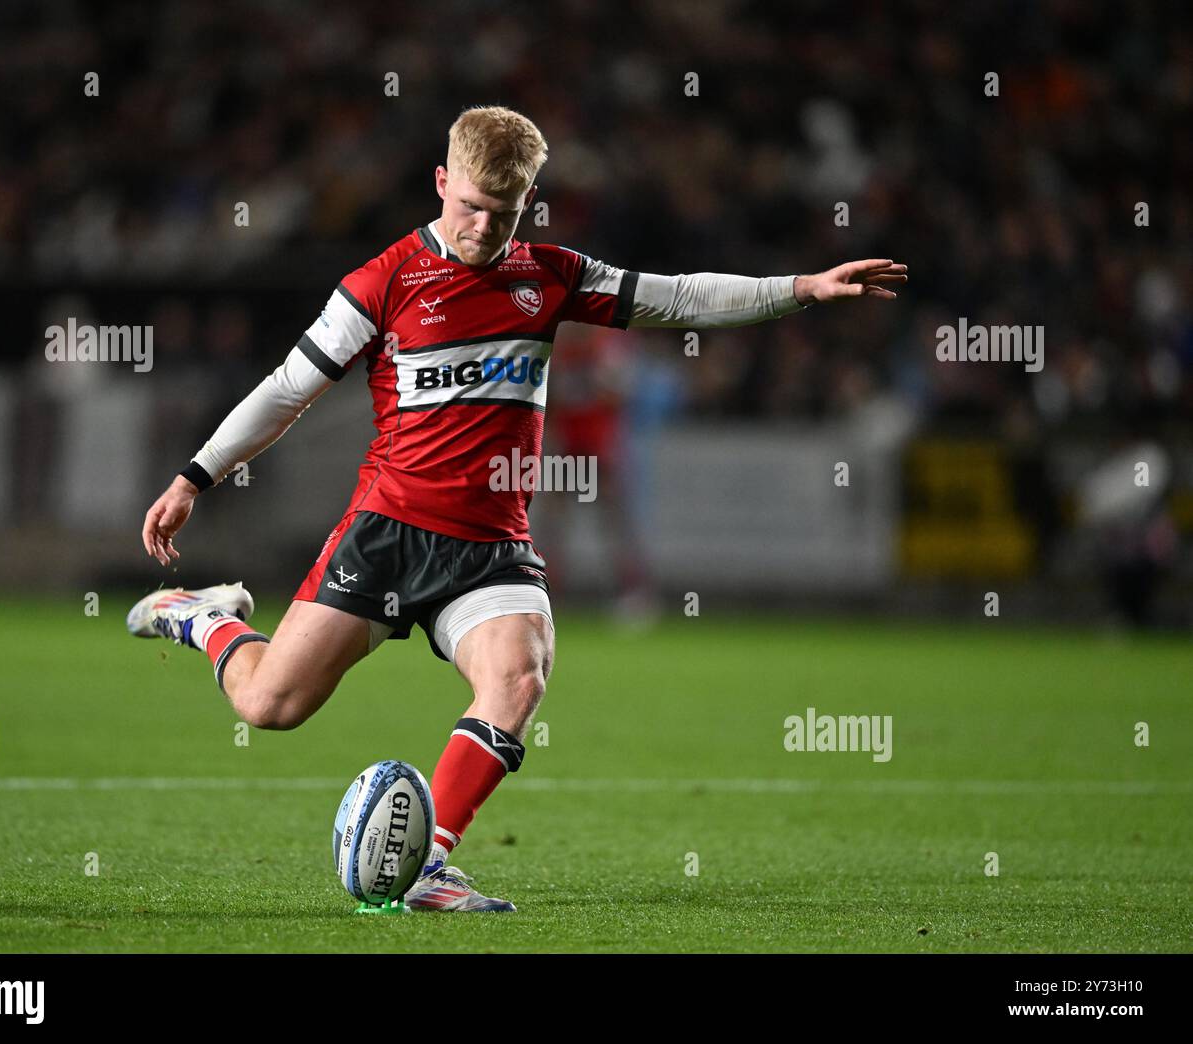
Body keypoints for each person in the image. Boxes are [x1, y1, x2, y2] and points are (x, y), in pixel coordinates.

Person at [128, 105, 907, 911]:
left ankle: (426, 862)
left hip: (491, 550)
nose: (482, 229)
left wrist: (804, 288)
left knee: (519, 677)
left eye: (503, 214)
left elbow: (677, 299)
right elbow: (290, 388)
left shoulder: (549, 276)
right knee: (269, 705)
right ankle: (206, 615)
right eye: (468, 206)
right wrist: (195, 478)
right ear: (441, 183)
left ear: (528, 202)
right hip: (387, 534)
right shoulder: (383, 281)